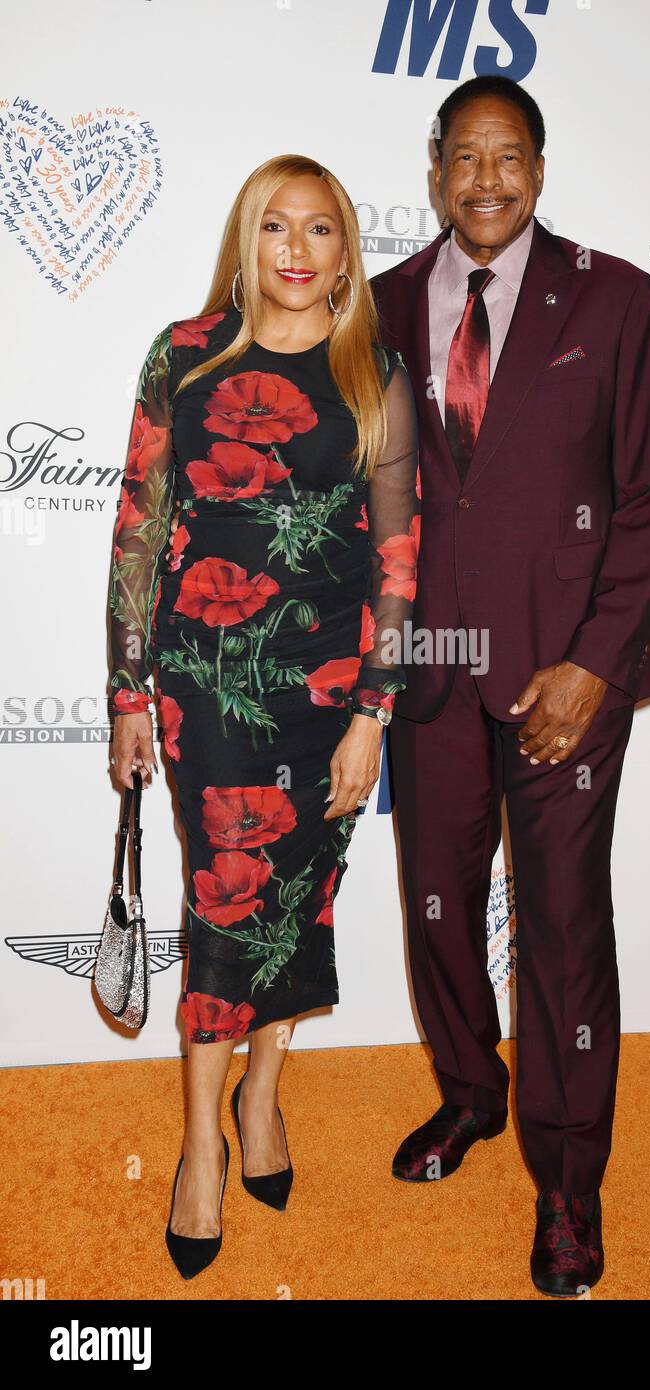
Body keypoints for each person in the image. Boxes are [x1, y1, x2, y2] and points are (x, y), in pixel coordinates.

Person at [370, 75, 650, 1297]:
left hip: (569, 678)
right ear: (435, 169)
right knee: (437, 908)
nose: (485, 179)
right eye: (464, 158)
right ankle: (469, 1097)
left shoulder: (615, 298)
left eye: (509, 157)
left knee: (561, 932)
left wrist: (594, 666)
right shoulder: (386, 304)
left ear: (539, 171)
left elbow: (649, 495)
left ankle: (568, 1183)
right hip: (430, 674)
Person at [107, 154, 419, 1280]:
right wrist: (127, 689)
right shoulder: (182, 357)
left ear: (346, 250)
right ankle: (199, 1143)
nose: (296, 249)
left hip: (330, 693)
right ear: (247, 244)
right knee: (220, 903)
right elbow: (142, 527)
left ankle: (265, 1090)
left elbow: (396, 559)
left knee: (300, 894)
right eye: (274, 228)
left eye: (321, 229)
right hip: (207, 683)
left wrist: (374, 714)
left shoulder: (375, 374)